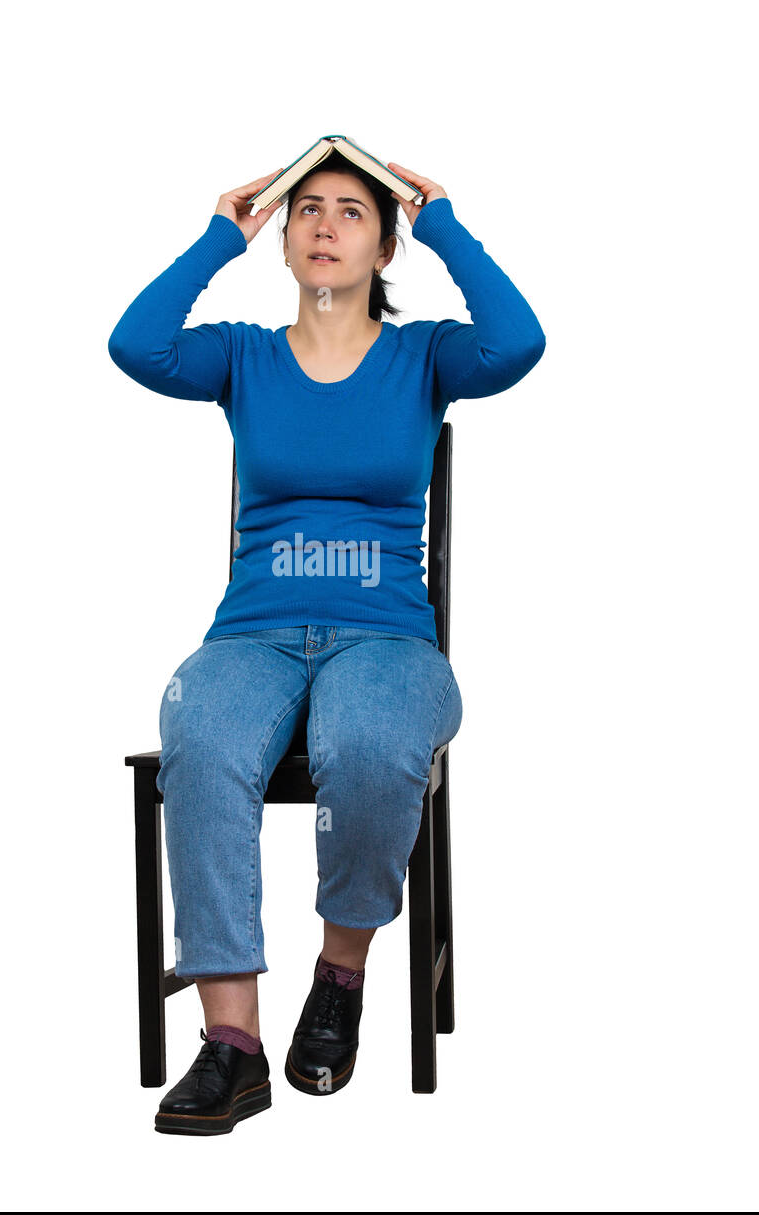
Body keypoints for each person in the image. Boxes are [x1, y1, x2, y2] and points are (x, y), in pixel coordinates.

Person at [107, 153, 546, 1135]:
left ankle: (339, 975)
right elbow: (135, 344)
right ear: (283, 238)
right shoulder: (242, 357)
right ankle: (232, 1046)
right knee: (205, 741)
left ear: (382, 245)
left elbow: (518, 343)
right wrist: (220, 233)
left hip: (386, 639)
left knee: (365, 746)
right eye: (306, 208)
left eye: (351, 211)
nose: (323, 222)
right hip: (251, 636)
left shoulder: (426, 354)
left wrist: (445, 225)